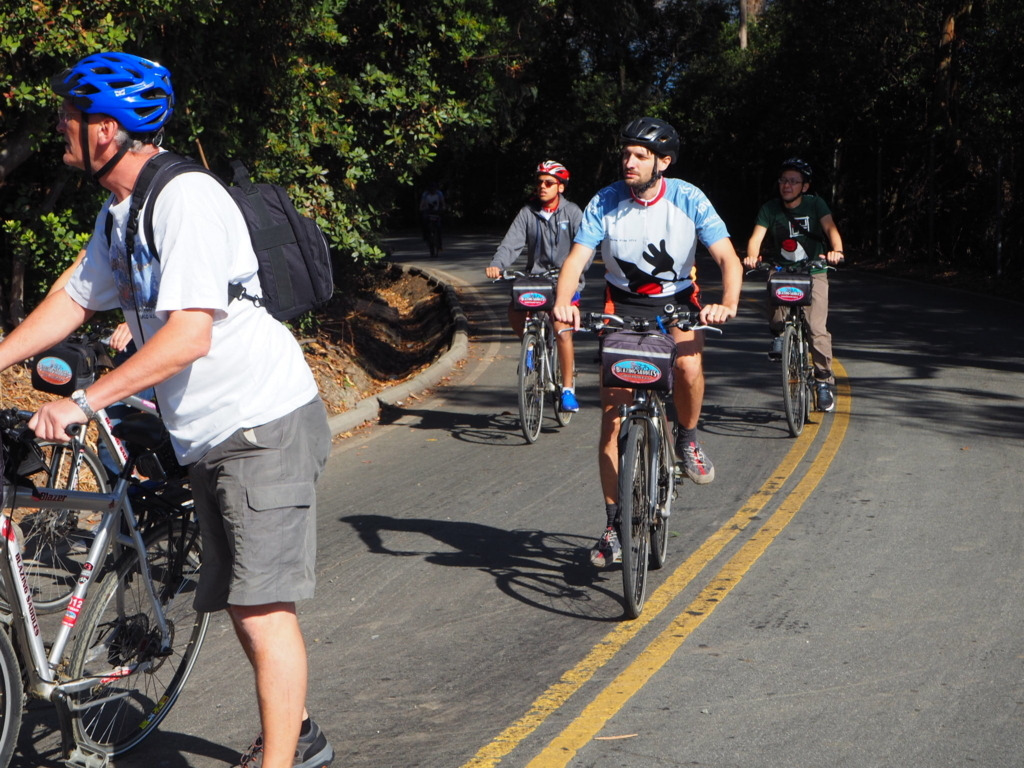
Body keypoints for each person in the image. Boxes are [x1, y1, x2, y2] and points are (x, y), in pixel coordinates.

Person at [0, 52, 333, 768]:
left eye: (72, 115)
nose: (60, 125)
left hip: (262, 421)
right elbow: (74, 296)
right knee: (246, 602)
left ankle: (288, 759)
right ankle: (298, 729)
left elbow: (189, 334)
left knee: (261, 607)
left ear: (109, 130)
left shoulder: (185, 199)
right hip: (208, 431)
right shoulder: (122, 210)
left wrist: (86, 401)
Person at [553, 117, 742, 567]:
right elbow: (576, 260)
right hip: (622, 303)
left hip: (677, 300)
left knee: (688, 367)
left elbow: (727, 258)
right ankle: (614, 526)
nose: (629, 162)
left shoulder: (688, 198)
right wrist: (564, 302)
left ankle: (687, 439)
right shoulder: (606, 200)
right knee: (613, 423)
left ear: (664, 162)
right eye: (626, 153)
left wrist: (727, 303)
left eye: (640, 155)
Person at [743, 157, 844, 412]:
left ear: (805, 186)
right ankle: (779, 334)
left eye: (793, 181)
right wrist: (752, 257)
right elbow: (757, 237)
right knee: (775, 301)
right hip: (783, 270)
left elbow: (831, 229)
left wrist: (837, 251)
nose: (787, 185)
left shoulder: (815, 204)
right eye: (783, 180)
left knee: (816, 328)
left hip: (814, 270)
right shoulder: (771, 208)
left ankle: (823, 381)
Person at [485, 160, 586, 412]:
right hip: (537, 278)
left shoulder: (572, 212)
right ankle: (530, 345)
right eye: (539, 182)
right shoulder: (528, 212)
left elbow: (585, 246)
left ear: (560, 187)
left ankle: (567, 390)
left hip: (566, 280)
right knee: (515, 309)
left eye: (549, 183)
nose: (542, 186)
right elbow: (511, 244)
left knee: (561, 327)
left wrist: (576, 271)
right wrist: (498, 264)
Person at [419, 181, 446, 257]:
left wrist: (443, 208)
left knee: (439, 227)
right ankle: (426, 236)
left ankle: (439, 245)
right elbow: (421, 206)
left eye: (434, 189)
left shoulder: (439, 193)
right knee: (425, 221)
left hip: (436, 211)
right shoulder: (425, 194)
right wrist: (423, 208)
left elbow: (443, 204)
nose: (432, 191)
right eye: (431, 190)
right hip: (428, 211)